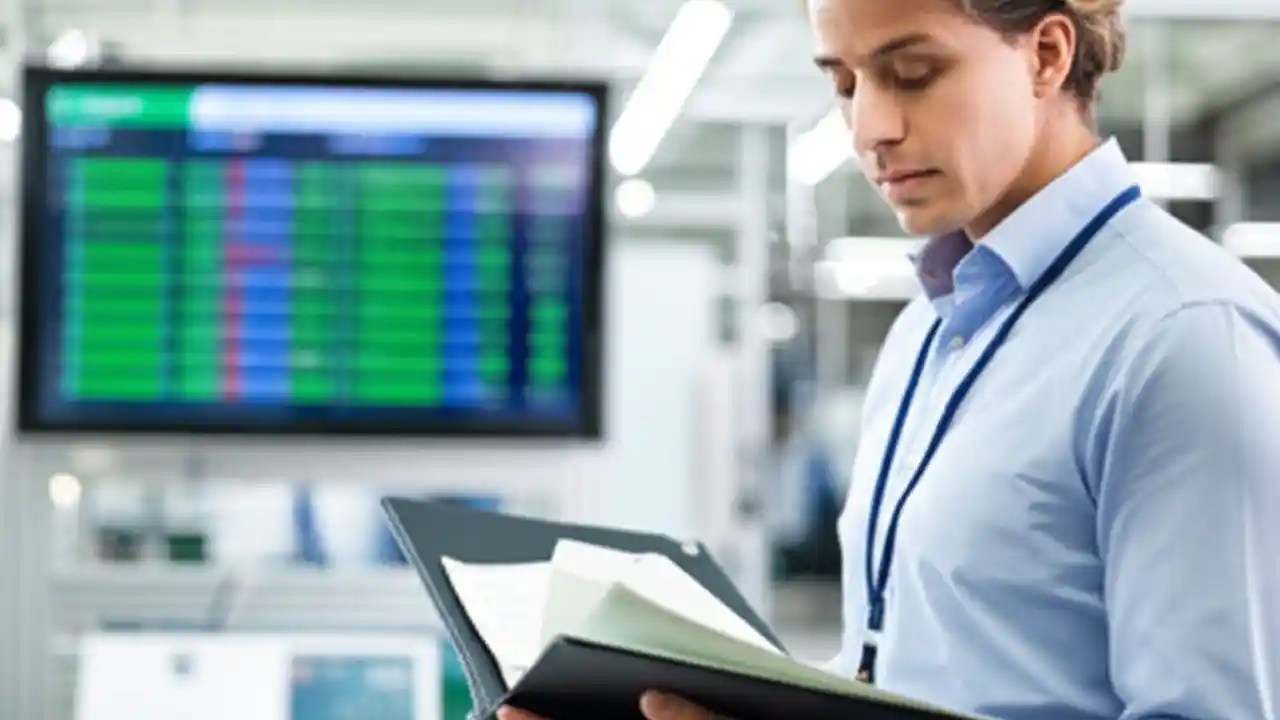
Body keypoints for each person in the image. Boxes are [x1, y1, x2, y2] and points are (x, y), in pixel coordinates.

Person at [502, 0, 1280, 717]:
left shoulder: (1184, 338)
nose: (869, 128)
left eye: (912, 74)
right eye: (843, 84)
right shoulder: (927, 330)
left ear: (1045, 55)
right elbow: (907, 677)